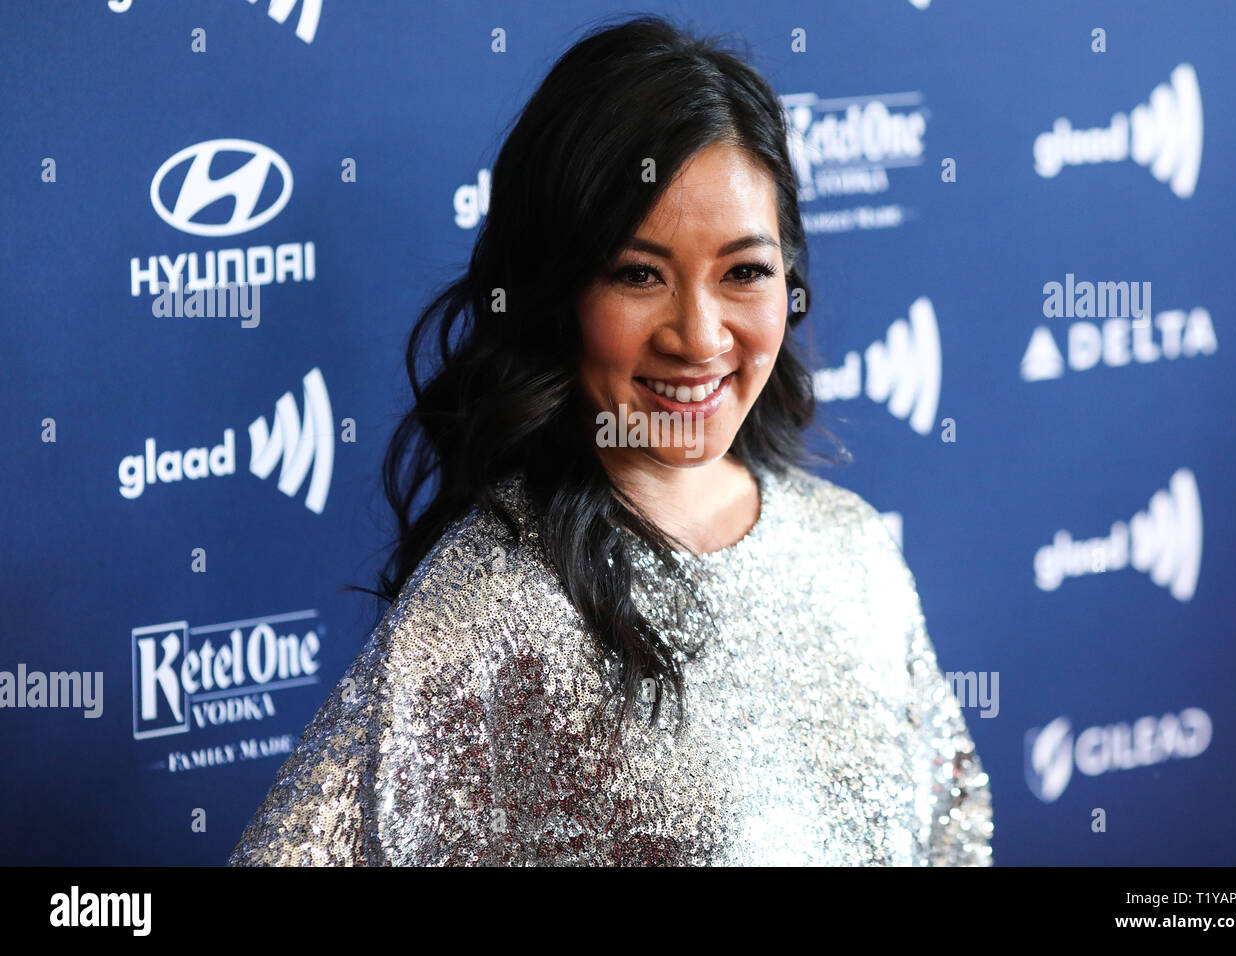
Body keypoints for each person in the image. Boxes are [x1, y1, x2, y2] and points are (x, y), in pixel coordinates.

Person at [227, 14, 993, 866]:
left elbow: (953, 840)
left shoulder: (853, 549)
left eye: (744, 272)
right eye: (638, 275)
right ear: (558, 296)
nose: (699, 337)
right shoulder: (488, 609)